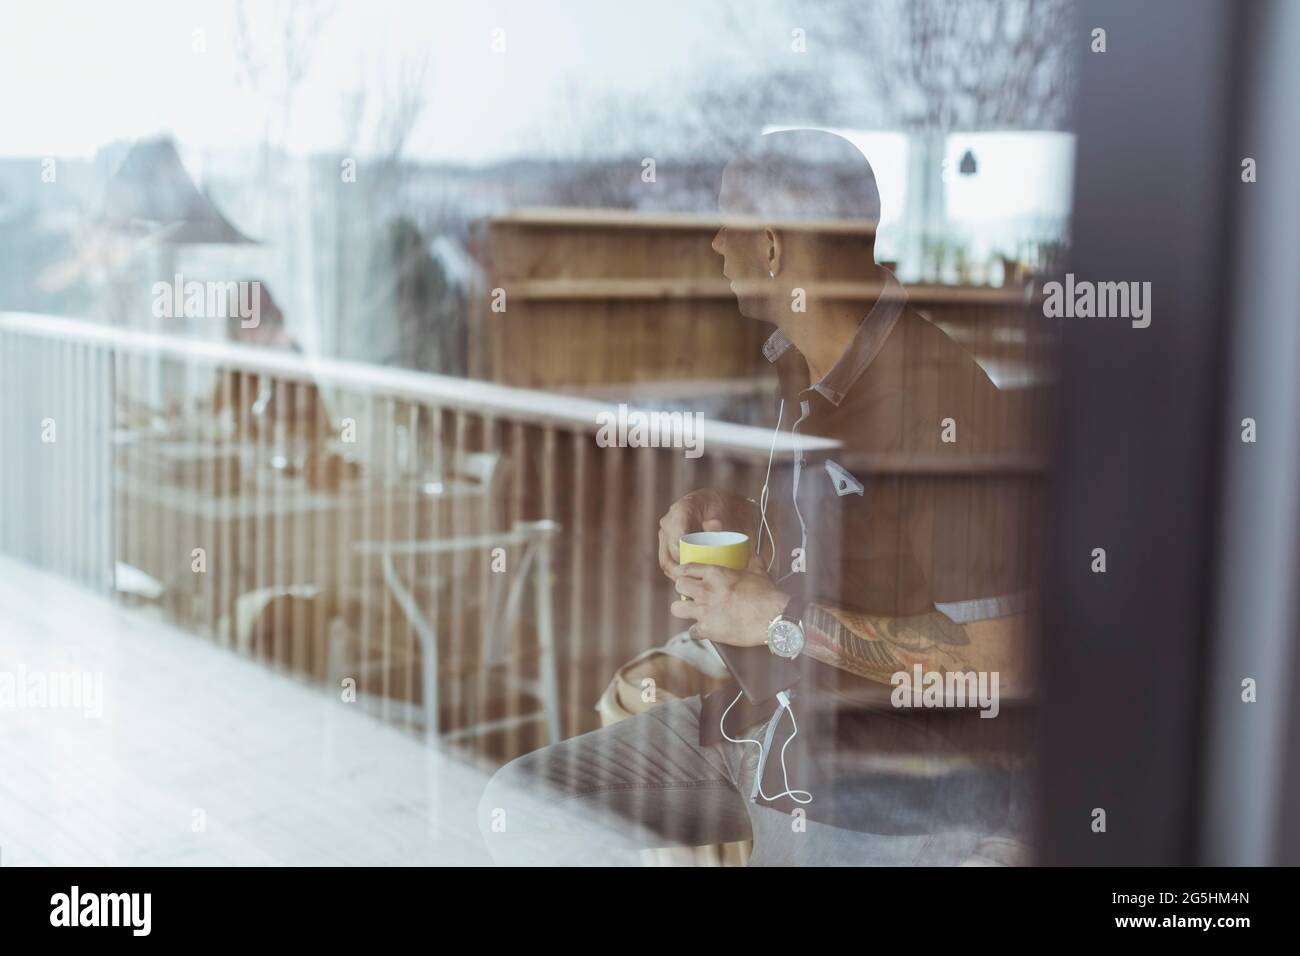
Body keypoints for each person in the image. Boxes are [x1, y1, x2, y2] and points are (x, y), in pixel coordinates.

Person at [478, 129, 1037, 866]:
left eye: (726, 224)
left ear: (772, 248)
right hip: (766, 726)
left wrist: (776, 620)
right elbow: (861, 539)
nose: (713, 244)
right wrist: (744, 519)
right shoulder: (799, 361)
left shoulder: (939, 404)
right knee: (521, 810)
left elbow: (1004, 664)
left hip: (879, 796)